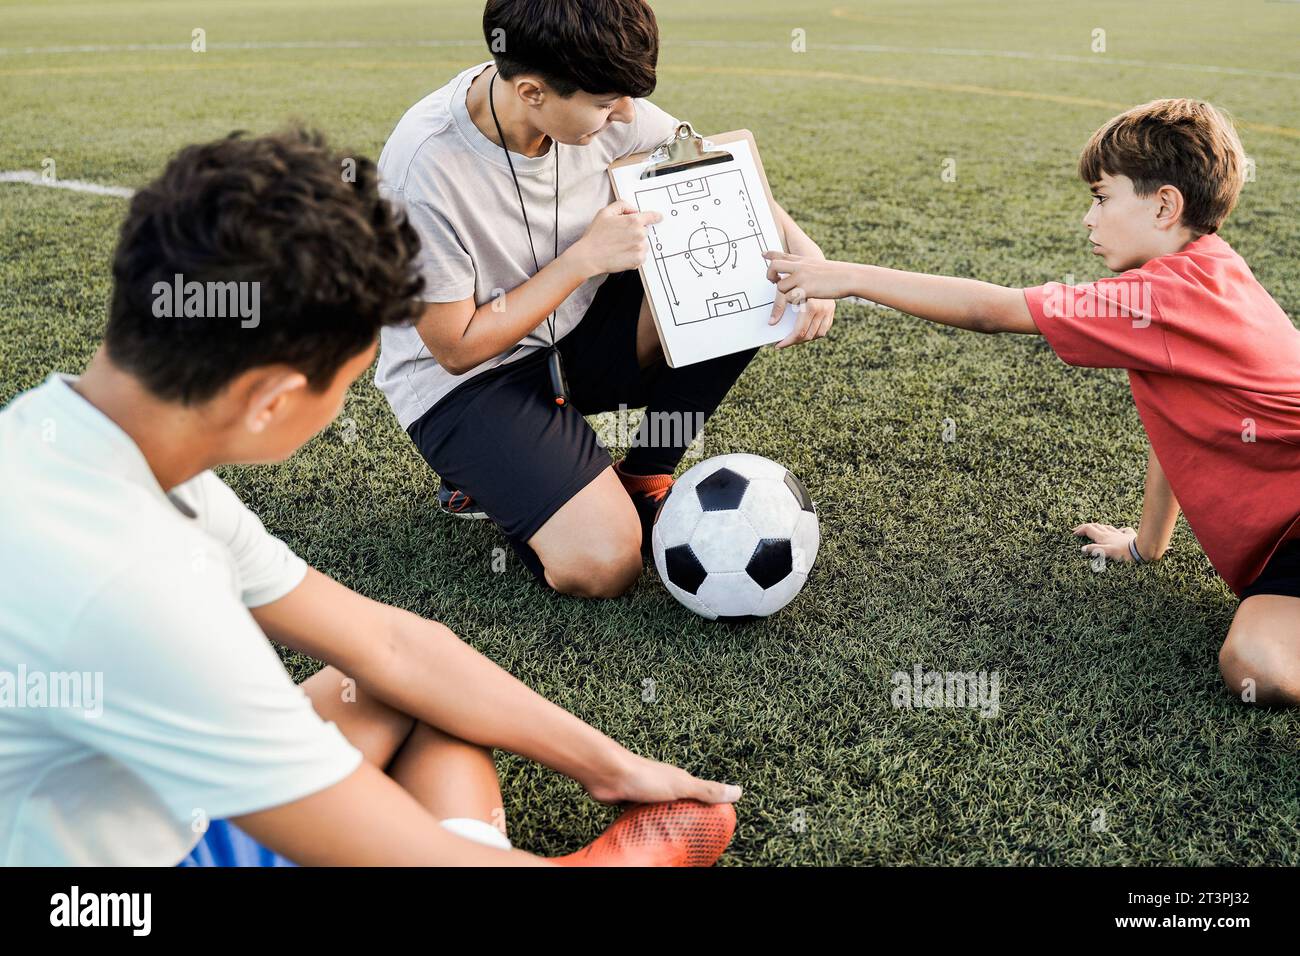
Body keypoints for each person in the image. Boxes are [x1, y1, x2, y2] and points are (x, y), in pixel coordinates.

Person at [0, 129, 739, 866]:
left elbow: (392, 649)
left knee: (398, 689)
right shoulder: (131, 594)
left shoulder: (84, 445)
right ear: (273, 400)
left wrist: (612, 768)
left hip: (139, 798)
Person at [762, 98, 1300, 705]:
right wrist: (1147, 546)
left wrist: (849, 275)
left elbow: (994, 310)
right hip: (1286, 547)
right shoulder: (1210, 272)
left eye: (1101, 198)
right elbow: (1178, 432)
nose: (1088, 219)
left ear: (1165, 205)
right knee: (1258, 664)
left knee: (1257, 666)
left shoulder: (1162, 297)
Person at [375, 0, 836, 597]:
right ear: (534, 92)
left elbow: (709, 163)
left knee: (746, 268)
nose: (623, 113)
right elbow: (457, 348)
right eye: (603, 102)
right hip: (470, 384)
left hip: (572, 339)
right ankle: (488, 475)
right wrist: (584, 259)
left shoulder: (606, 103)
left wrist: (808, 255)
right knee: (606, 567)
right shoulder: (423, 168)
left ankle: (644, 472)